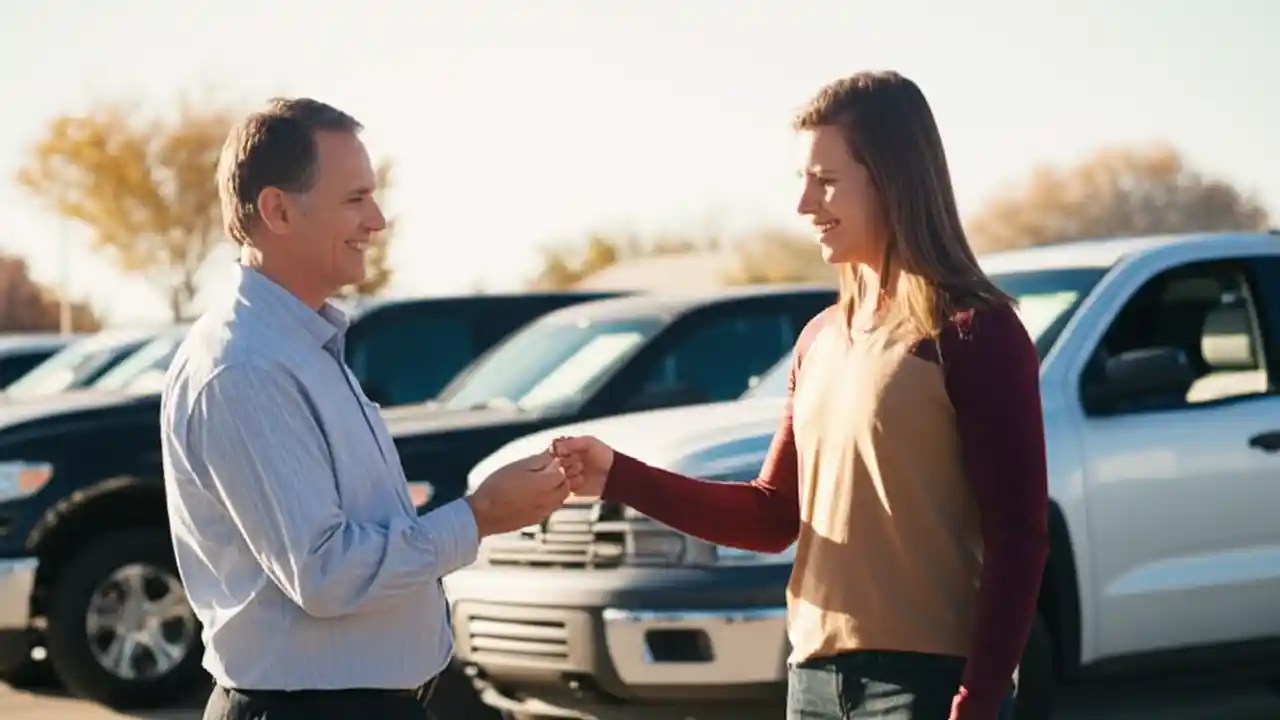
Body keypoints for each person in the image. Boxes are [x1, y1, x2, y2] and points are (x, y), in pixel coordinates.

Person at [552, 71, 1048, 720]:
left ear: (894, 178)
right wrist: (619, 476)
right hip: (811, 682)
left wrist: (979, 697)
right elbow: (771, 516)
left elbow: (1019, 536)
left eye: (828, 181)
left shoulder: (974, 330)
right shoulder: (821, 339)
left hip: (926, 689)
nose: (805, 205)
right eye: (803, 182)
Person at [159, 97, 569, 720]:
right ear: (277, 210)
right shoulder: (246, 368)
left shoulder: (300, 347)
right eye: (354, 199)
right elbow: (324, 573)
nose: (376, 220)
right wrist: (479, 516)